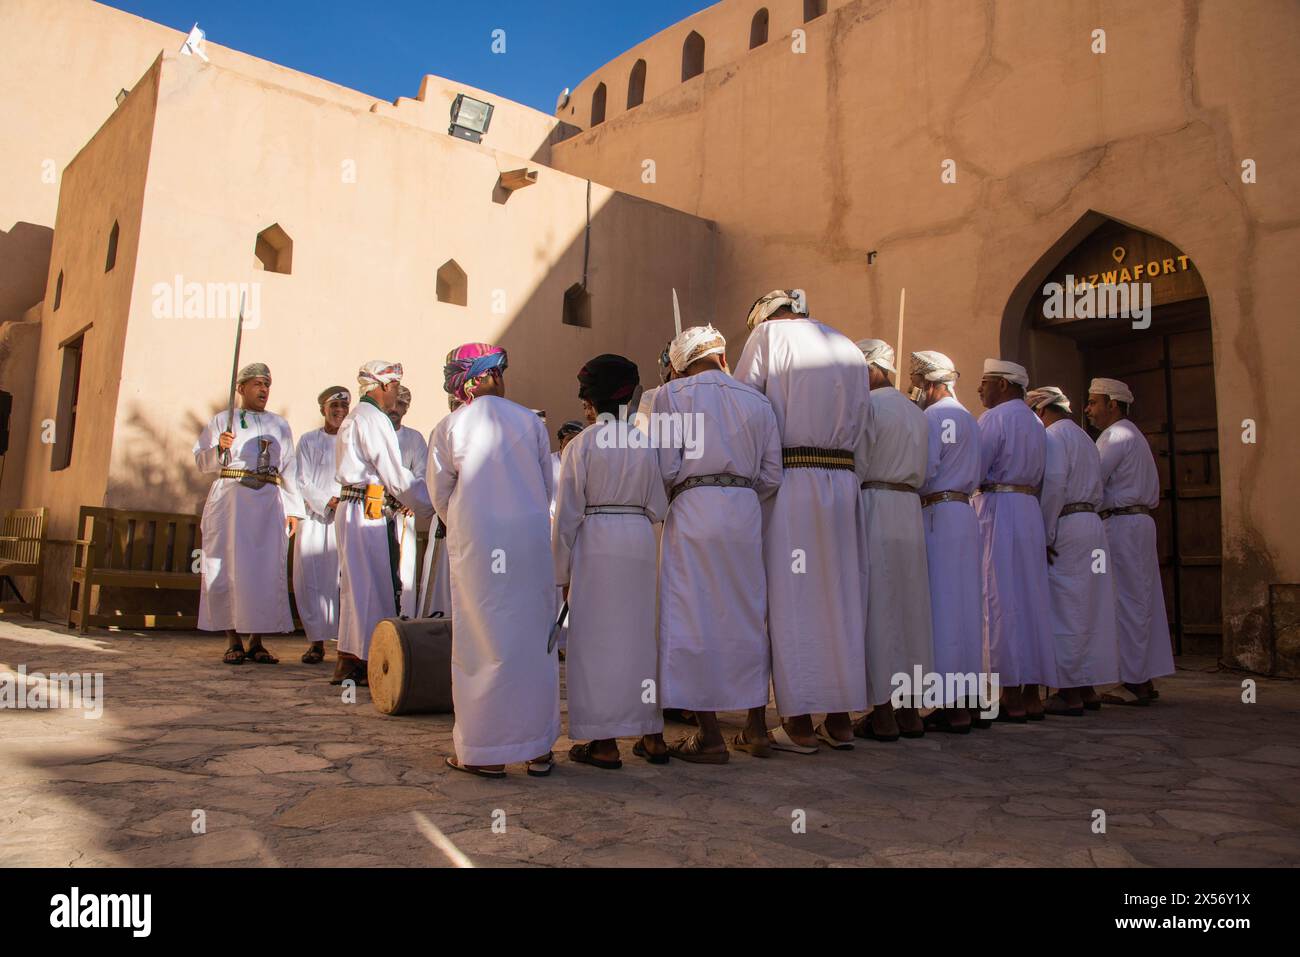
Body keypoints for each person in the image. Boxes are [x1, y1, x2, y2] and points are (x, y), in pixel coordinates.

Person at [733, 290, 870, 753]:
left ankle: (798, 721)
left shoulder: (768, 336)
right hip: (843, 482)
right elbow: (864, 423)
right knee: (840, 598)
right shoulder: (849, 346)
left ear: (762, 317)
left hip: (791, 480)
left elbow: (746, 410)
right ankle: (841, 718)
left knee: (794, 598)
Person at [654, 324, 782, 763]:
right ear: (724, 358)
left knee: (693, 613)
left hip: (694, 507)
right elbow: (771, 476)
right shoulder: (758, 401)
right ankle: (756, 727)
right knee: (748, 612)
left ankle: (709, 734)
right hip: (745, 511)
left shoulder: (671, 397)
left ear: (680, 367)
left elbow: (666, 465)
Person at [430, 343, 560, 778]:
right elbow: (547, 488)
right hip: (527, 543)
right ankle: (539, 751)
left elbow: (440, 494)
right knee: (531, 639)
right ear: (483, 377)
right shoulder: (531, 423)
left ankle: (485, 752)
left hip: (480, 547)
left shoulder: (450, 426)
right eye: (498, 372)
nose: (504, 379)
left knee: (481, 639)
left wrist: (470, 524)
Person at [554, 355, 668, 769]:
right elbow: (658, 505)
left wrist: (562, 572)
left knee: (596, 642)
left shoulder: (581, 445)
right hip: (638, 543)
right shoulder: (644, 444)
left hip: (597, 543)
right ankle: (652, 736)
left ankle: (603, 743)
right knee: (640, 638)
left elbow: (567, 515)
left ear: (590, 402)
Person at [194, 363, 304, 665]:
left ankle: (257, 641)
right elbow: (201, 461)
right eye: (257, 384)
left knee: (263, 570)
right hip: (231, 504)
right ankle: (233, 640)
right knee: (228, 566)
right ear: (241, 388)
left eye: (267, 384)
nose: (264, 390)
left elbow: (289, 467)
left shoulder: (279, 425)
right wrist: (219, 447)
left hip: (268, 502)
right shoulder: (223, 421)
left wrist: (293, 508)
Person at [333, 361, 433, 685]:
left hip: (355, 506)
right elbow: (395, 475)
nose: (396, 396)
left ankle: (351, 659)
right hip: (367, 509)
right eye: (395, 388)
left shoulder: (356, 416)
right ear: (384, 386)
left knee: (358, 586)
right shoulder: (373, 419)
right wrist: (433, 506)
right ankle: (367, 658)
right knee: (372, 586)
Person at [853, 340, 934, 741]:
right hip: (909, 510)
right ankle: (910, 711)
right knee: (910, 609)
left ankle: (883, 712)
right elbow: (929, 466)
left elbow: (858, 461)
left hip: (876, 506)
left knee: (881, 607)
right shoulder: (916, 413)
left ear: (870, 369)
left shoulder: (868, 407)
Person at [1028, 386, 1120, 715]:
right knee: (1088, 606)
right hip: (1091, 525)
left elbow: (1053, 485)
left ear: (1041, 412)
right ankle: (1087, 686)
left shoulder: (1053, 437)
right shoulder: (1083, 437)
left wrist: (1045, 534)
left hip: (1067, 525)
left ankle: (1069, 691)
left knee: (1065, 605)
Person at [975, 360, 1059, 720]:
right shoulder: (1037, 423)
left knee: (999, 597)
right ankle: (1031, 693)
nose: (980, 390)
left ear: (1004, 385)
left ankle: (1007, 690)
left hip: (1000, 509)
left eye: (985, 382)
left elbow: (976, 467)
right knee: (1031, 600)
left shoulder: (995, 419)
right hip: (1029, 511)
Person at [1087, 377, 1175, 705]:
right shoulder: (1130, 436)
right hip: (1132, 523)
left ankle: (1133, 681)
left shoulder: (1117, 435)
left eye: (1094, 402)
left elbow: (1092, 477)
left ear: (1112, 404)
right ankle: (1141, 677)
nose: (1088, 409)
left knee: (1126, 600)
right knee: (1139, 599)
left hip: (1123, 524)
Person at [909, 352, 984, 732]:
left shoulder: (933, 417)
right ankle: (969, 699)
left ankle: (950, 703)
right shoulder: (969, 417)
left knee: (942, 606)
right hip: (964, 513)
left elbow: (925, 469)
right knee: (966, 606)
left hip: (937, 511)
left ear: (929, 383)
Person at [293, 386, 348, 664]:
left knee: (342, 581)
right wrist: (327, 501)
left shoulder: (352, 439)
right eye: (333, 407)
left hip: (347, 516)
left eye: (343, 407)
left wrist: (344, 503)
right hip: (316, 517)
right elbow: (300, 478)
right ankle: (315, 642)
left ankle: (344, 646)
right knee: (311, 579)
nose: (339, 412)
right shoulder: (307, 441)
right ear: (323, 410)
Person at [389, 385, 426, 618]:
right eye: (393, 403)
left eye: (401, 404)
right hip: (374, 511)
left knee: (404, 569)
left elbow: (422, 474)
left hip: (405, 513)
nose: (395, 409)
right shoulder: (375, 433)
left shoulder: (414, 438)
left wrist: (409, 500)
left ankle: (404, 619)